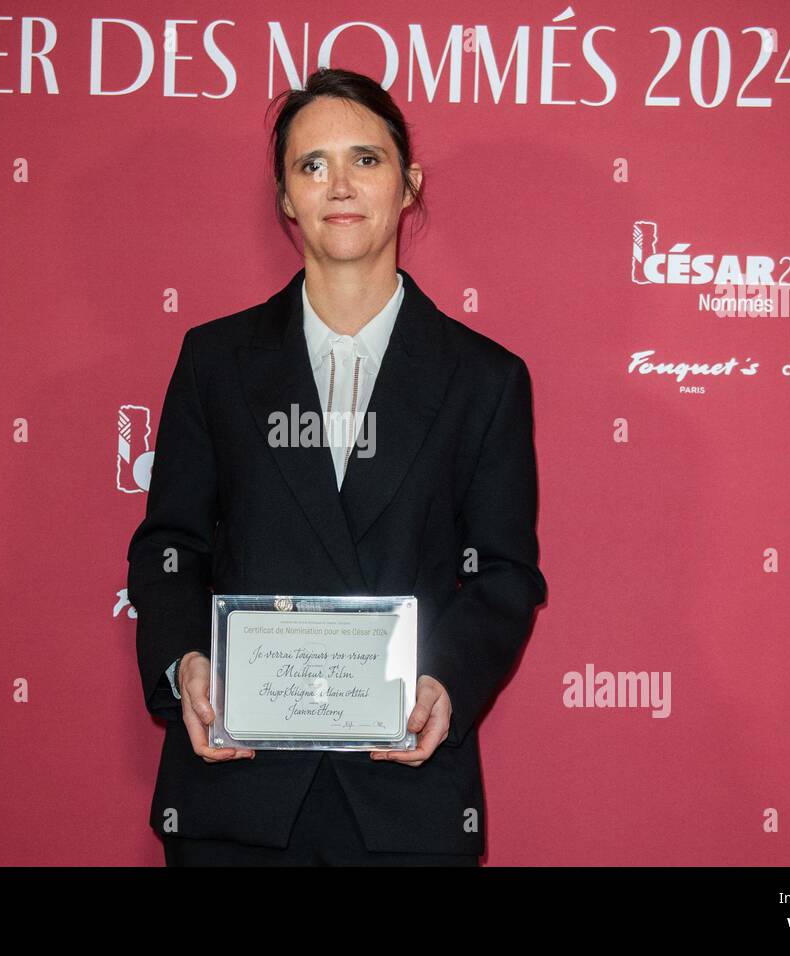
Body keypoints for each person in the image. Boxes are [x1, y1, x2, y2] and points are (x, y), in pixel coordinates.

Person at [127, 67, 547, 866]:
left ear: (409, 182)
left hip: (403, 798)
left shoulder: (485, 379)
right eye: (311, 166)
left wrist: (445, 684)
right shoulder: (215, 362)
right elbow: (169, 548)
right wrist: (188, 662)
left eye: (367, 159)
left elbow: (504, 574)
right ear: (285, 197)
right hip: (240, 792)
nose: (340, 185)